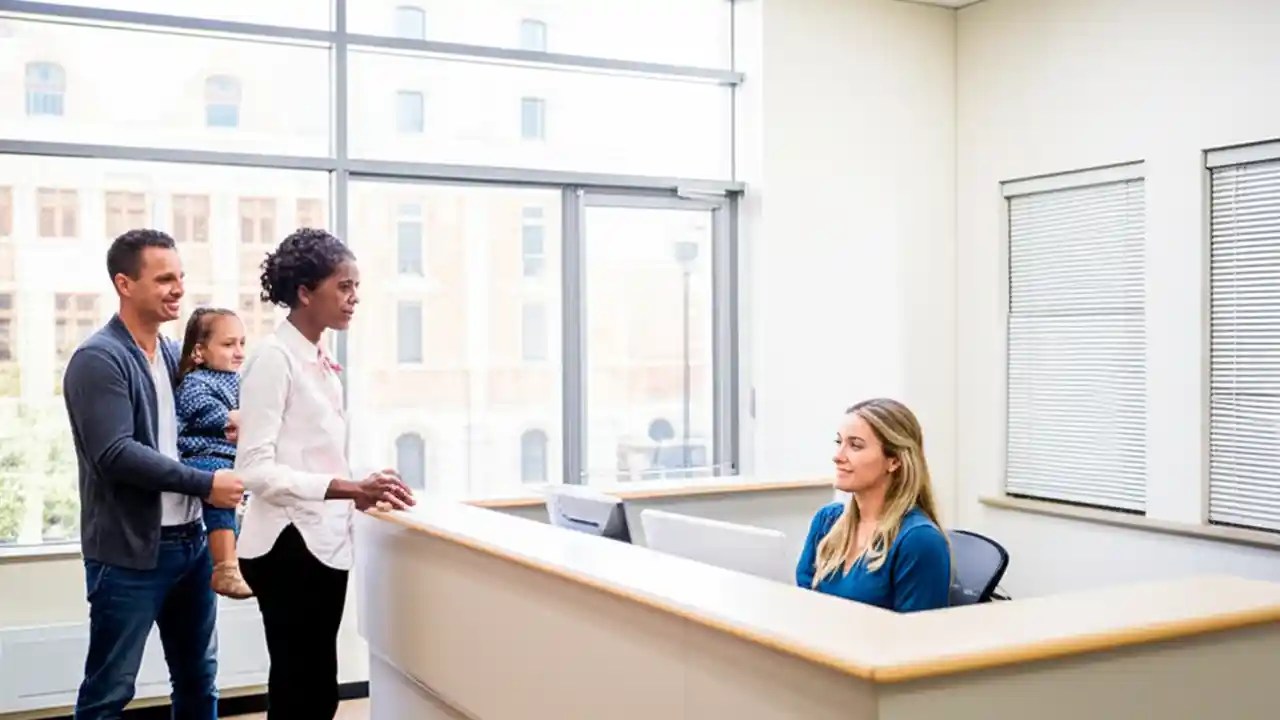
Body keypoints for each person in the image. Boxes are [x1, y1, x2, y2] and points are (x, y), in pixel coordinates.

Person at [63, 229, 245, 718]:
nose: (179, 289)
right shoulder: (98, 359)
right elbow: (116, 454)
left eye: (181, 277)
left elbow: (193, 422)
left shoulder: (170, 355)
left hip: (191, 543)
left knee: (198, 681)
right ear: (125, 283)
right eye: (164, 278)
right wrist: (206, 483)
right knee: (109, 692)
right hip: (128, 556)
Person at [235, 227, 416, 719]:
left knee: (313, 687)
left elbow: (316, 450)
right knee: (304, 689)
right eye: (344, 286)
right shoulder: (274, 360)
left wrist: (364, 479)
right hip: (286, 545)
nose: (354, 298)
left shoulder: (318, 357)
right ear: (304, 292)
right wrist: (347, 488)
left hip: (319, 544)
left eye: (356, 287)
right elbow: (253, 468)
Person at [795, 398, 951, 613]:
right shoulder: (827, 521)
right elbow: (804, 607)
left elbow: (918, 639)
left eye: (855, 446)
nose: (838, 457)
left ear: (894, 461)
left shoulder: (919, 540)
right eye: (839, 442)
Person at [176, 307, 253, 599]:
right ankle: (224, 567)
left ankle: (239, 557)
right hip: (203, 457)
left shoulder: (237, 379)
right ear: (199, 351)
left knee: (243, 498)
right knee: (221, 494)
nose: (239, 351)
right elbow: (207, 411)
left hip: (230, 456)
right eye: (228, 344)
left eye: (242, 343)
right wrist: (233, 419)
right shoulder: (197, 381)